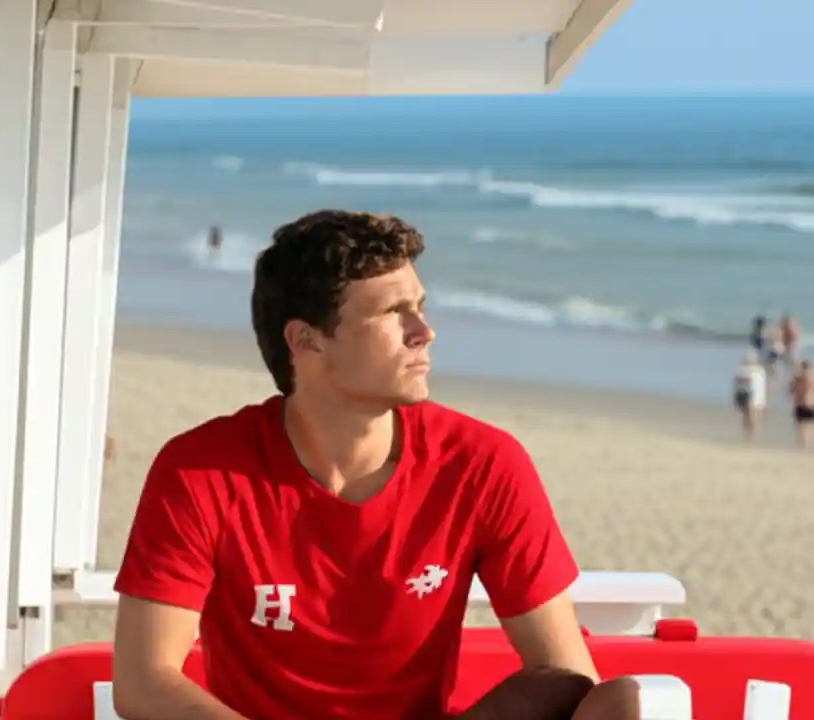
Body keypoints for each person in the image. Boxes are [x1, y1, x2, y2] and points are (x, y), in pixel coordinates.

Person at [110, 210, 640, 720]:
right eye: (392, 312)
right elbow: (143, 680)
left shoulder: (482, 464)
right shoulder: (200, 471)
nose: (423, 331)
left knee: (620, 699)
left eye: (420, 307)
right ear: (305, 340)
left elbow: (568, 678)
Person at [732, 349, 767, 441]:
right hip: (746, 394)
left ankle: (750, 435)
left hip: (751, 395)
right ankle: (749, 435)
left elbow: (761, 387)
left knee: (750, 416)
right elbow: (736, 384)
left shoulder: (758, 370)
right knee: (748, 416)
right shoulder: (743, 370)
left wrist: (762, 401)